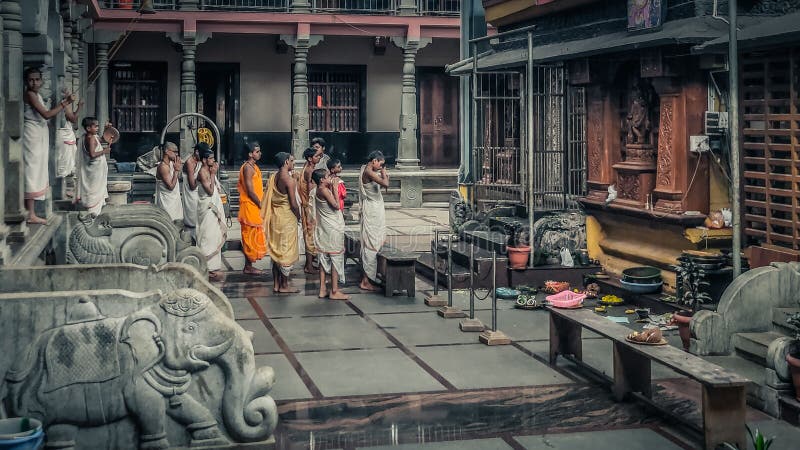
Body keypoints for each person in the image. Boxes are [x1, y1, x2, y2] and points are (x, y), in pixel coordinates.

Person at [23, 66, 74, 224]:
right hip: (31, 136)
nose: (34, 82)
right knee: (31, 171)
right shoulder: (30, 94)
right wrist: (64, 104)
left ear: (41, 80)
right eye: (31, 79)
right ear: (26, 81)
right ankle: (30, 213)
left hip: (39, 136)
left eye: (37, 79)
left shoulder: (37, 95)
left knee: (37, 171)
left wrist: (64, 103)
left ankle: (30, 212)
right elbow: (46, 115)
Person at [261, 152, 302, 293]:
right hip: (286, 218)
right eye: (292, 161)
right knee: (285, 252)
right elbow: (294, 204)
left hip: (275, 218)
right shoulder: (288, 180)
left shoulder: (275, 176)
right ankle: (284, 285)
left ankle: (276, 284)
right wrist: (299, 217)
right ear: (286, 162)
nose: (293, 163)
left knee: (276, 251)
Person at [312, 168, 349, 301]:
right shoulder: (324, 190)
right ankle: (334, 290)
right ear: (322, 180)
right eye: (328, 176)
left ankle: (322, 288)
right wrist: (334, 187)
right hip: (332, 228)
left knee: (324, 257)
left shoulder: (317, 189)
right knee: (334, 257)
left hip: (325, 228)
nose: (330, 178)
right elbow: (336, 205)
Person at [359, 151, 389, 291]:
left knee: (375, 242)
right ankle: (366, 280)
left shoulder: (368, 170)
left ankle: (372, 276)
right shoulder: (369, 172)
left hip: (375, 209)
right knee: (371, 244)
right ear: (374, 161)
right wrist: (384, 173)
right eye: (380, 164)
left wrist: (382, 173)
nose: (381, 166)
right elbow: (385, 184)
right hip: (372, 210)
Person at [196, 146, 227, 282]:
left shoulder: (208, 170)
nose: (214, 160)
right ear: (204, 160)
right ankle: (205, 266)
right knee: (207, 237)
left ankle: (213, 267)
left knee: (214, 236)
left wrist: (213, 173)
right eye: (211, 158)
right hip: (206, 208)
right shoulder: (203, 172)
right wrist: (214, 174)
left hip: (212, 208)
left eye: (213, 158)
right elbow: (209, 191)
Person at [237, 142, 267, 275]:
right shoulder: (248, 168)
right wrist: (261, 204)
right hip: (249, 206)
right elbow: (250, 191)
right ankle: (248, 267)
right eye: (257, 151)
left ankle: (249, 266)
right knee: (249, 238)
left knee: (253, 236)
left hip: (254, 206)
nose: (259, 153)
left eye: (259, 151)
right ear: (250, 154)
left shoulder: (253, 166)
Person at [294, 147, 322, 274]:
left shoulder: (305, 167)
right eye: (317, 156)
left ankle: (309, 263)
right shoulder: (310, 170)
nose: (319, 158)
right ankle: (309, 265)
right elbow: (312, 191)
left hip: (305, 206)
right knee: (310, 235)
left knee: (309, 234)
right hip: (309, 207)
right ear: (310, 159)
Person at [76, 116, 111, 216]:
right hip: (94, 170)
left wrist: (106, 129)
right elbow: (92, 154)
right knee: (94, 191)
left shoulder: (90, 136)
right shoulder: (90, 139)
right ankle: (92, 214)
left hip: (96, 170)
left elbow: (102, 140)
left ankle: (94, 213)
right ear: (88, 128)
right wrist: (105, 151)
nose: (97, 128)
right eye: (95, 126)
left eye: (98, 126)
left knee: (93, 191)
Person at [155, 141, 184, 224]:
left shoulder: (171, 163)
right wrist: (176, 171)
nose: (177, 154)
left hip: (174, 201)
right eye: (175, 151)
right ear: (167, 151)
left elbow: (175, 180)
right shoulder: (163, 167)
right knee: (169, 225)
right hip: (167, 203)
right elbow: (171, 186)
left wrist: (177, 169)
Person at [182, 142, 205, 240]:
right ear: (196, 152)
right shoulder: (190, 162)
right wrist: (200, 178)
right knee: (192, 219)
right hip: (190, 194)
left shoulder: (200, 161)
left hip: (198, 193)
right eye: (202, 155)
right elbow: (192, 186)